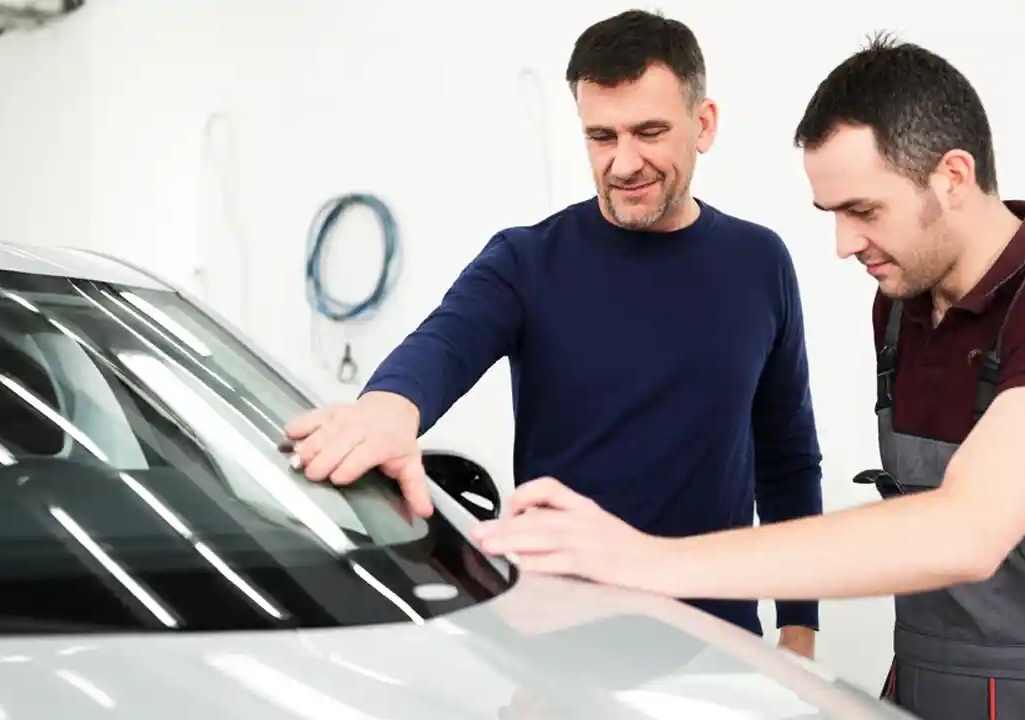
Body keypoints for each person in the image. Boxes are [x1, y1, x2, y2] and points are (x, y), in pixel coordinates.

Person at [470, 34, 1025, 720]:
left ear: (953, 177)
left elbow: (966, 531)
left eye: (863, 211)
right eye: (832, 214)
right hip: (918, 684)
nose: (843, 245)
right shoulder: (903, 309)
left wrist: (645, 563)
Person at [282, 9, 824, 656]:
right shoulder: (525, 262)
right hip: (560, 644)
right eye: (602, 136)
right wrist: (387, 409)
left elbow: (787, 458)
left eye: (649, 131)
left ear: (703, 124)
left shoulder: (759, 263)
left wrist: (799, 630)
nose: (624, 161)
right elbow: (444, 344)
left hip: (717, 644)